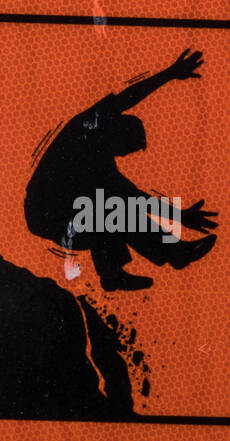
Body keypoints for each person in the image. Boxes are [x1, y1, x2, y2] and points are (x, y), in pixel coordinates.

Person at [24, 48, 218, 291]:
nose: (122, 156)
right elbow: (129, 96)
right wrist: (169, 74)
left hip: (67, 211)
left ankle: (172, 255)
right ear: (118, 135)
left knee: (116, 208)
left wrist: (182, 216)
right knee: (112, 210)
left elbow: (135, 197)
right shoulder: (86, 126)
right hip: (46, 214)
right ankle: (117, 274)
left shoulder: (101, 157)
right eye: (126, 150)